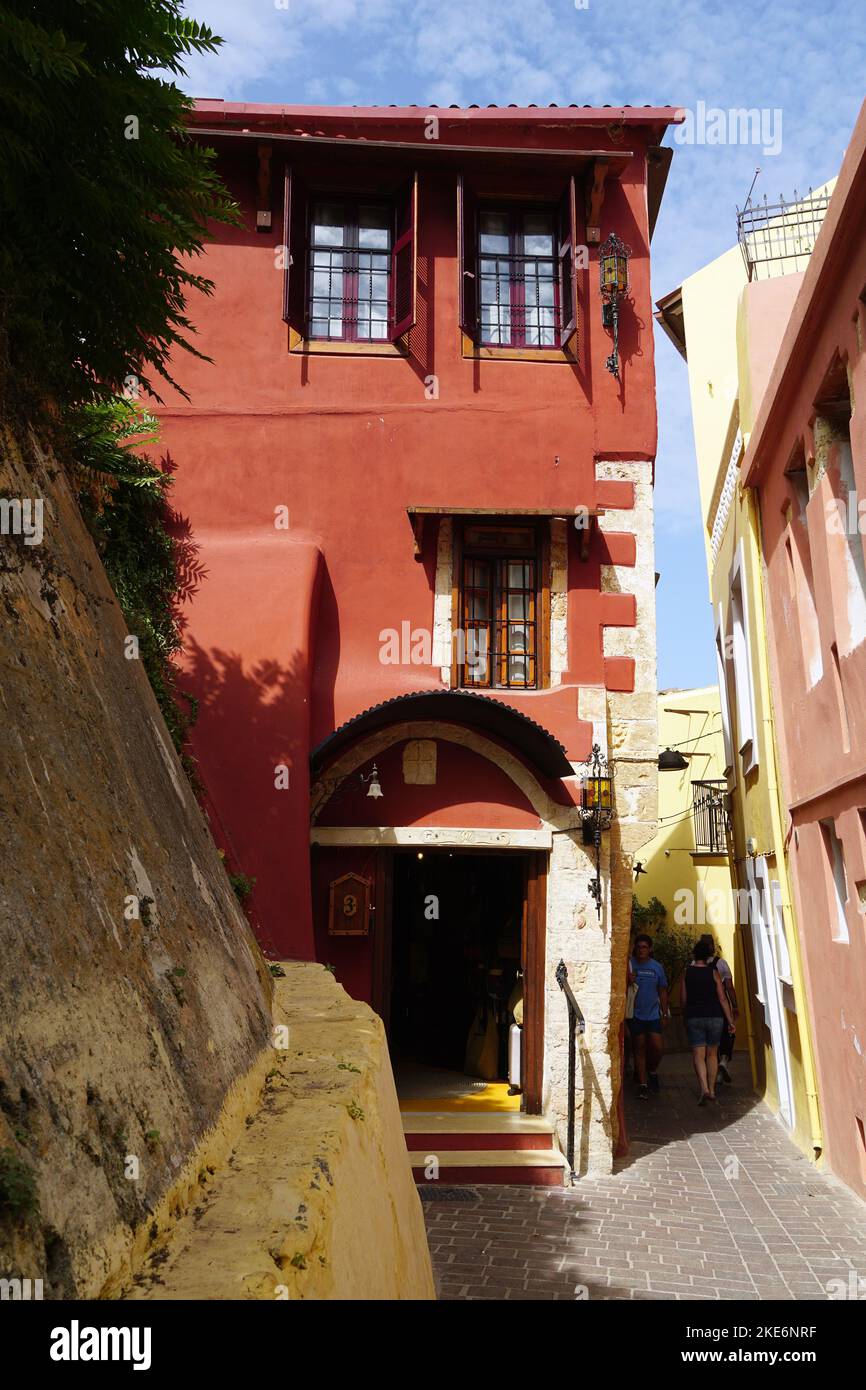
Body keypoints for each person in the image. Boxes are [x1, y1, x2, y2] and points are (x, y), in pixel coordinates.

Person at [681, 938, 737, 1104]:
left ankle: (704, 1088)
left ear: (694, 954)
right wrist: (730, 1020)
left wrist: (685, 1015)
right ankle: (712, 1091)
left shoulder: (686, 972)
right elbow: (722, 998)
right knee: (712, 1054)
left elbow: (683, 999)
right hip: (715, 1016)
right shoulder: (713, 973)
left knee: (699, 1056)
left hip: (694, 1016)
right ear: (707, 957)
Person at [627, 934, 668, 1099]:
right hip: (635, 1014)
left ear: (650, 949)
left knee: (657, 1047)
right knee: (639, 1048)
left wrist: (665, 1013)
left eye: (644, 947)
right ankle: (643, 1084)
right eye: (638, 947)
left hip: (653, 1015)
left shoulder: (657, 967)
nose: (641, 950)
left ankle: (651, 1071)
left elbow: (663, 990)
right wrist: (628, 980)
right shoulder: (629, 965)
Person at [695, 934, 739, 1083]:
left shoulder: (693, 965)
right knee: (728, 1033)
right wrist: (735, 1005)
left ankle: (714, 1075)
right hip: (720, 1006)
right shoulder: (721, 964)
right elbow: (729, 988)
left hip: (701, 1007)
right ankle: (724, 1061)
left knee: (709, 1042)